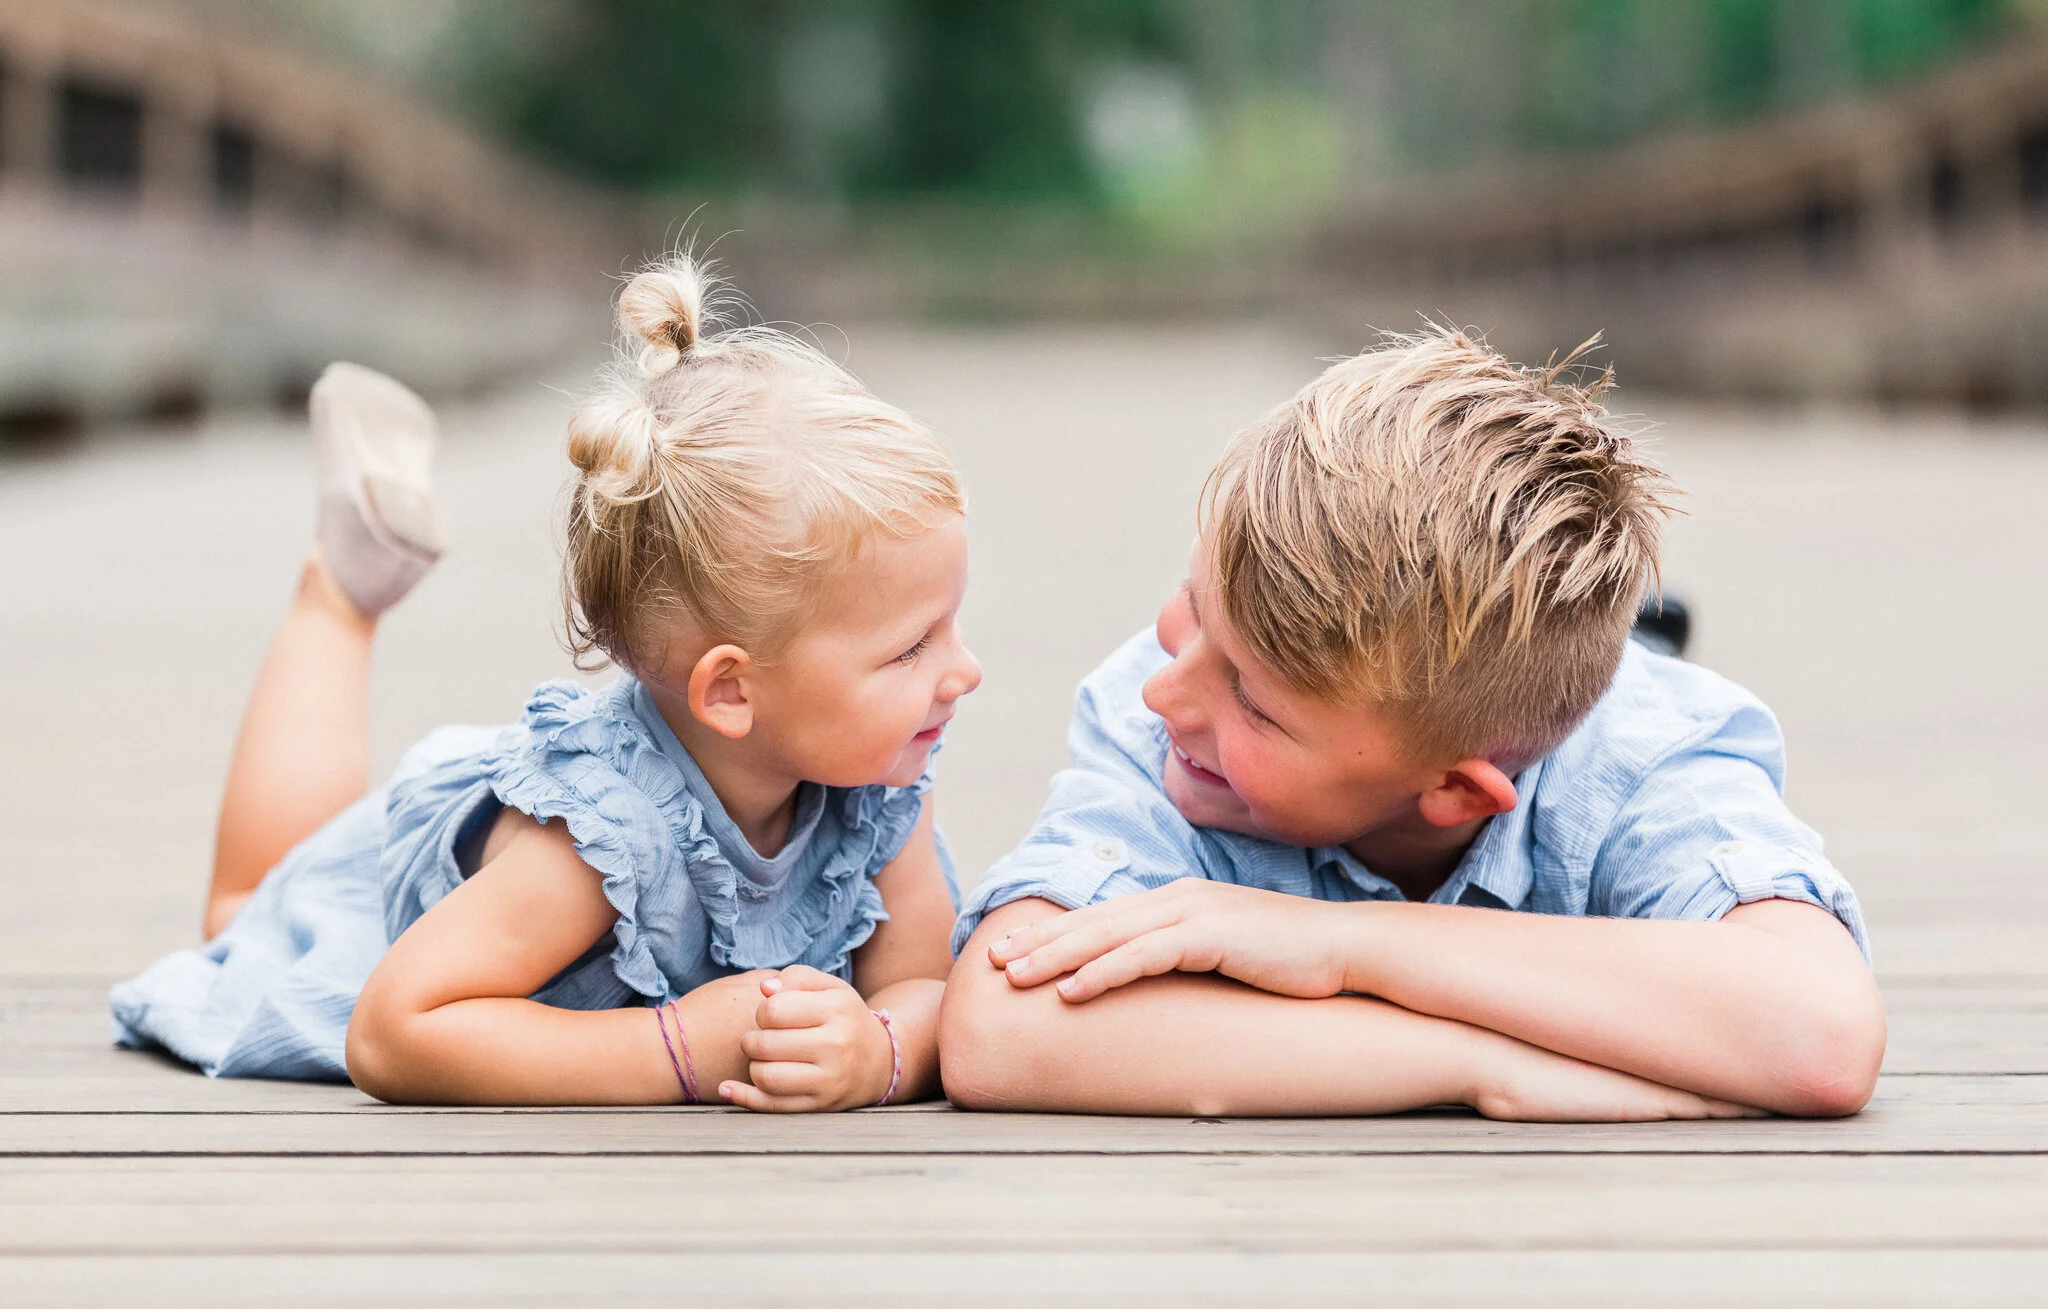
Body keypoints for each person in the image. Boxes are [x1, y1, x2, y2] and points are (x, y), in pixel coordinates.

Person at [939, 327, 1883, 1121]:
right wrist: (1476, 1062)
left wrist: (1340, 943)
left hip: (1581, 719)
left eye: (1256, 702)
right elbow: (996, 1029)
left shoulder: (1645, 754)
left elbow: (1822, 1036)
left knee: (1545, 681)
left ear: (1456, 791)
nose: (1166, 695)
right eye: (1193, 600)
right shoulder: (1168, 727)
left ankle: (1630, 635)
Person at [111, 254, 981, 1110]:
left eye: (950, 626)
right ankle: (341, 590)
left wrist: (882, 1049)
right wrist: (676, 1048)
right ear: (730, 692)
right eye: (911, 648)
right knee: (246, 913)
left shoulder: (882, 782)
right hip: (418, 902)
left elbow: (926, 988)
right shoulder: (598, 846)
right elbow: (393, 1028)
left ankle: (354, 577)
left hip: (512, 843)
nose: (965, 671)